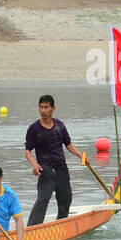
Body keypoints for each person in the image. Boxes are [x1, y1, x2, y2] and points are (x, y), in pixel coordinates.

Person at [24, 94, 88, 225]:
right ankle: (32, 228)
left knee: (66, 199)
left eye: (46, 107)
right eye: (41, 107)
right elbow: (27, 151)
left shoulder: (60, 126)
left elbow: (69, 145)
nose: (43, 110)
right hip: (45, 171)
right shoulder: (33, 128)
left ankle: (62, 225)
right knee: (43, 200)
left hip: (61, 170)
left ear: (53, 108)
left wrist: (81, 156)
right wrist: (34, 163)